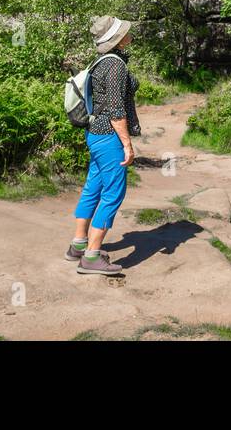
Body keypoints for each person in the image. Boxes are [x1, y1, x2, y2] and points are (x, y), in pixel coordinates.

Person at [65, 15, 141, 275]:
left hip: (94, 134)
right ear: (117, 38)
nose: (128, 33)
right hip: (109, 137)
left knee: (93, 187)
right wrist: (127, 145)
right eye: (124, 31)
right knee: (113, 194)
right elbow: (116, 110)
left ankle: (78, 244)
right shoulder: (115, 66)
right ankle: (92, 257)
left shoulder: (100, 62)